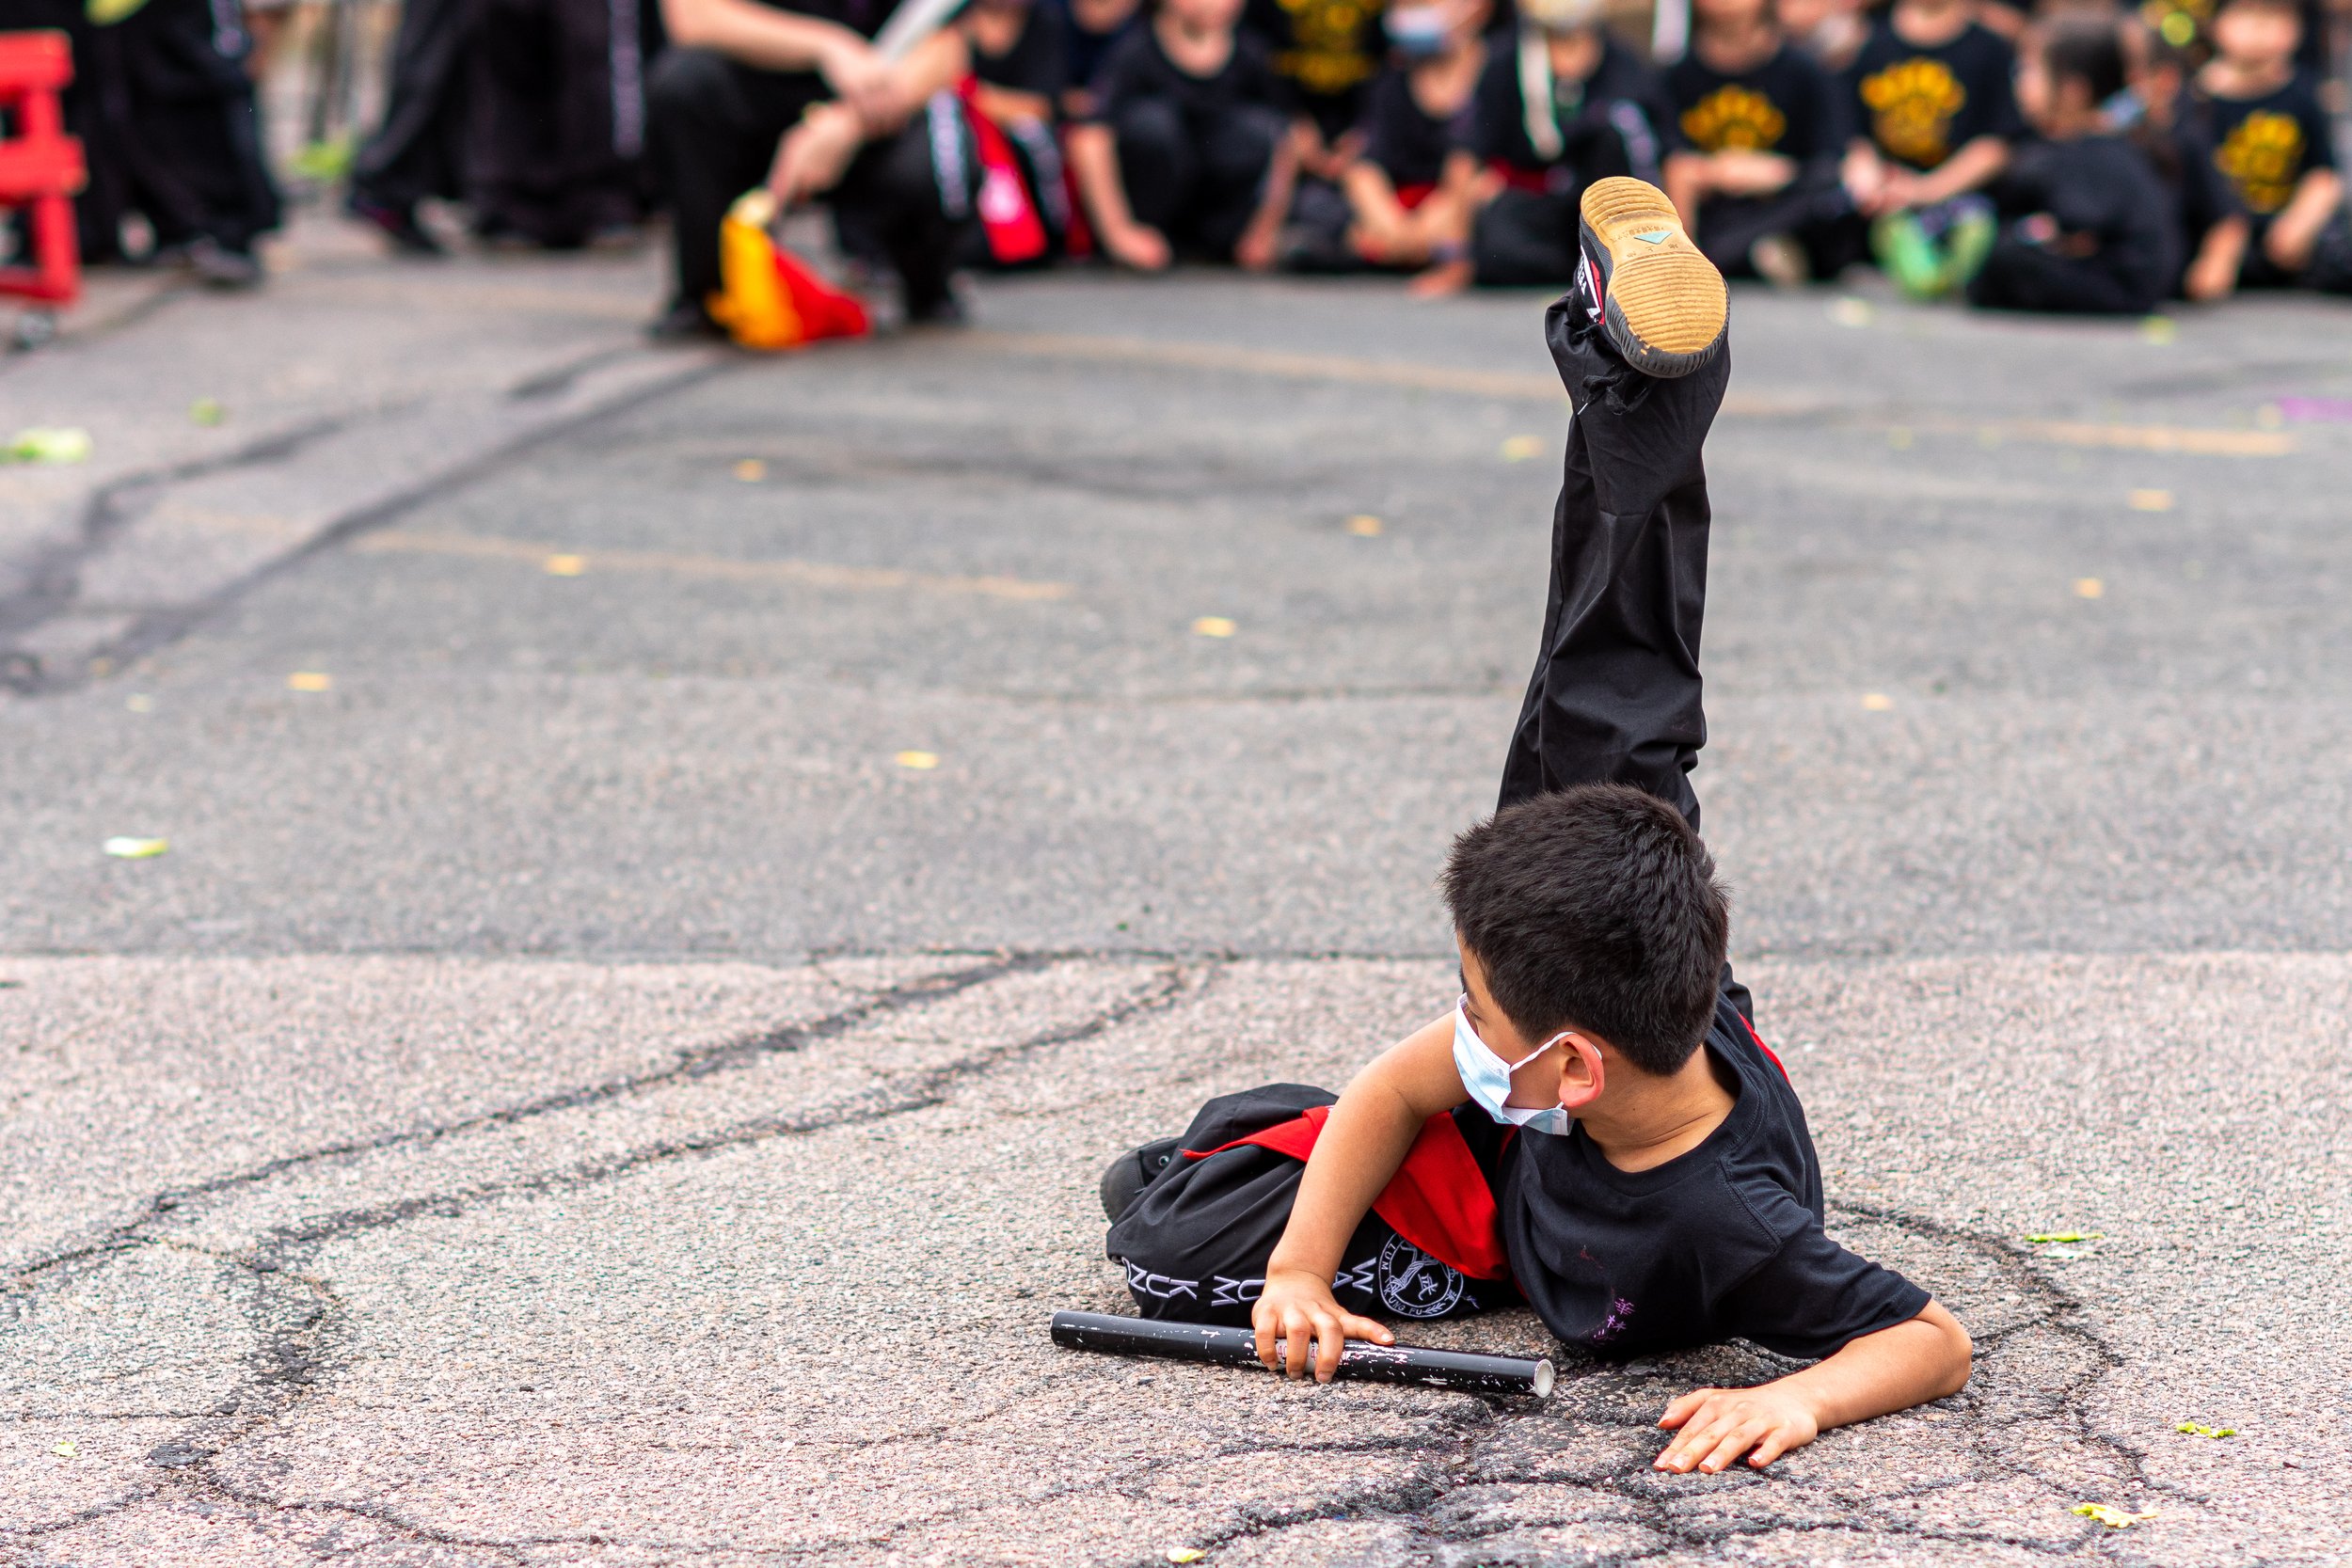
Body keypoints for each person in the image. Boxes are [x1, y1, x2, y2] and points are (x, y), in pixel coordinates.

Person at [1101, 180, 1974, 1472]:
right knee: (1614, 712)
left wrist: (1802, 1399)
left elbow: (1934, 1337)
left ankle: (1640, 383)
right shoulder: (1618, 1000)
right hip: (1577, 1104)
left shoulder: (1725, 1221)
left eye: (1475, 1001)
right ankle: (1649, 370)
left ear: (1568, 1067)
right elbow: (1404, 1080)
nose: (1454, 1021)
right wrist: (1299, 1270)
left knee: (1161, 1223)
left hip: (1542, 1181)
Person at [643, 0, 980, 336]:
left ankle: (926, 278)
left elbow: (947, 45)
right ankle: (711, 289)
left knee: (940, 141)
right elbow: (692, 16)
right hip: (759, 79)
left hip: (873, 99)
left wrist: (849, 125)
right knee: (683, 84)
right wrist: (828, 46)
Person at [1452, 0, 1677, 289]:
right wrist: (1457, 256)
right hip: (1546, 208)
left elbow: (1666, 159)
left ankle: (1615, 267)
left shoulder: (1625, 64)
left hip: (1611, 212)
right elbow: (1466, 155)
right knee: (1498, 243)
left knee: (1612, 135)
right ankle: (1585, 276)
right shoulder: (1505, 60)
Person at [1967, 15, 2179, 314]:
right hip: (2131, 283)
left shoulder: (2090, 150)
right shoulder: (2106, 141)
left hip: (2121, 285)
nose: (2019, 80)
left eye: (2030, 70)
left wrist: (2048, 233)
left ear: (2072, 91)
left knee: (2005, 255)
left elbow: (2080, 224)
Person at [1067, 0, 1300, 271]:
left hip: (1219, 236)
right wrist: (1119, 232)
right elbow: (1089, 138)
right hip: (1152, 224)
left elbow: (1289, 143)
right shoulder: (1135, 50)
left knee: (1256, 130)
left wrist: (1263, 232)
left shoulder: (1253, 53)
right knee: (1152, 125)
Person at [1662, 0, 1854, 285]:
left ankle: (1735, 256)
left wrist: (1776, 172)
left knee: (1831, 194)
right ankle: (1721, 257)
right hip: (1716, 210)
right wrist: (1715, 171)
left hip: (1784, 204)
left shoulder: (1804, 71)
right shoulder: (1675, 77)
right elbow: (1671, 163)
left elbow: (1832, 161)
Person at [1840, 0, 2023, 298]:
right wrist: (1868, 177)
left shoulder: (1990, 49)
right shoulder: (1874, 44)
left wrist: (1925, 190)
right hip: (1890, 194)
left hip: (1960, 193)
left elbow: (1996, 146)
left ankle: (1956, 268)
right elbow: (1853, 137)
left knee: (1976, 221)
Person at [2192, 0, 2352, 292]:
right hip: (2218, 232)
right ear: (2216, 24)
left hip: (2282, 233)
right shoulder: (2196, 97)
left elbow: (2324, 173)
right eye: (2247, 14)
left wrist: (2301, 222)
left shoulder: (2303, 93)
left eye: (2276, 17)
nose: (2260, 28)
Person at [1322, 0, 1487, 279]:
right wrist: (1396, 229)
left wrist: (1427, 229)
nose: (1415, 11)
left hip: (1458, 209)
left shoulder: (1499, 69)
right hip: (1398, 212)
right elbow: (1363, 166)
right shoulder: (1392, 76)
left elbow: (1479, 173)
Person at [2125, 24, 2249, 300]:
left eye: (2128, 74)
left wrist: (2216, 262)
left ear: (2165, 80)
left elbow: (2227, 216)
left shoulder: (2185, 140)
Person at [961, 0, 1074, 263]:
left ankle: (1049, 235)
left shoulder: (1046, 21)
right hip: (968, 133)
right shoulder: (953, 22)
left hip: (1017, 143)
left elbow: (1043, 106)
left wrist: (975, 97)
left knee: (1033, 136)